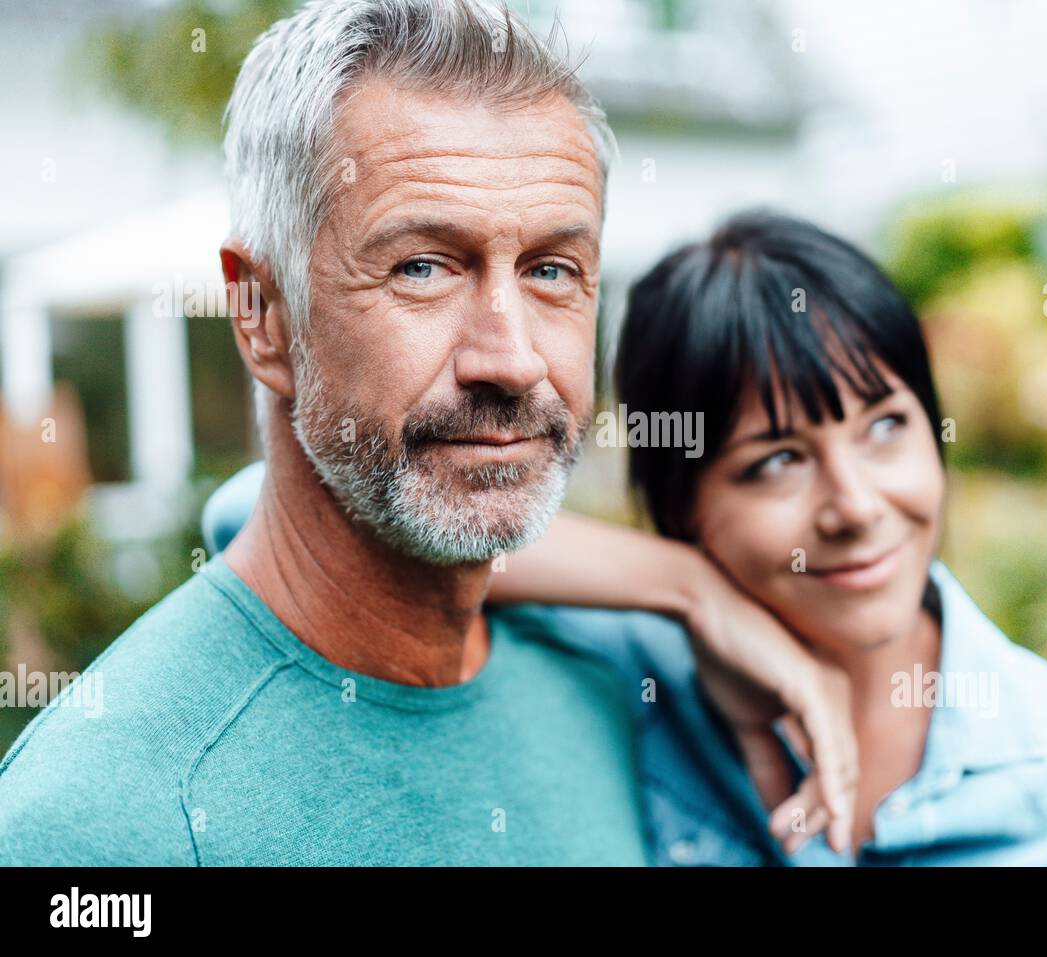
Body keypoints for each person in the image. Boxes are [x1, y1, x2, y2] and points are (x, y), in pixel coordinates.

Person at [0, 1, 856, 866]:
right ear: (260, 315)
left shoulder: (611, 693)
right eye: (422, 266)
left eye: (551, 270)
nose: (512, 358)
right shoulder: (101, 824)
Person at [204, 211, 1047, 865]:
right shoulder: (627, 676)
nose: (855, 504)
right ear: (682, 507)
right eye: (775, 460)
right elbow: (261, 514)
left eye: (884, 427)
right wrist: (694, 594)